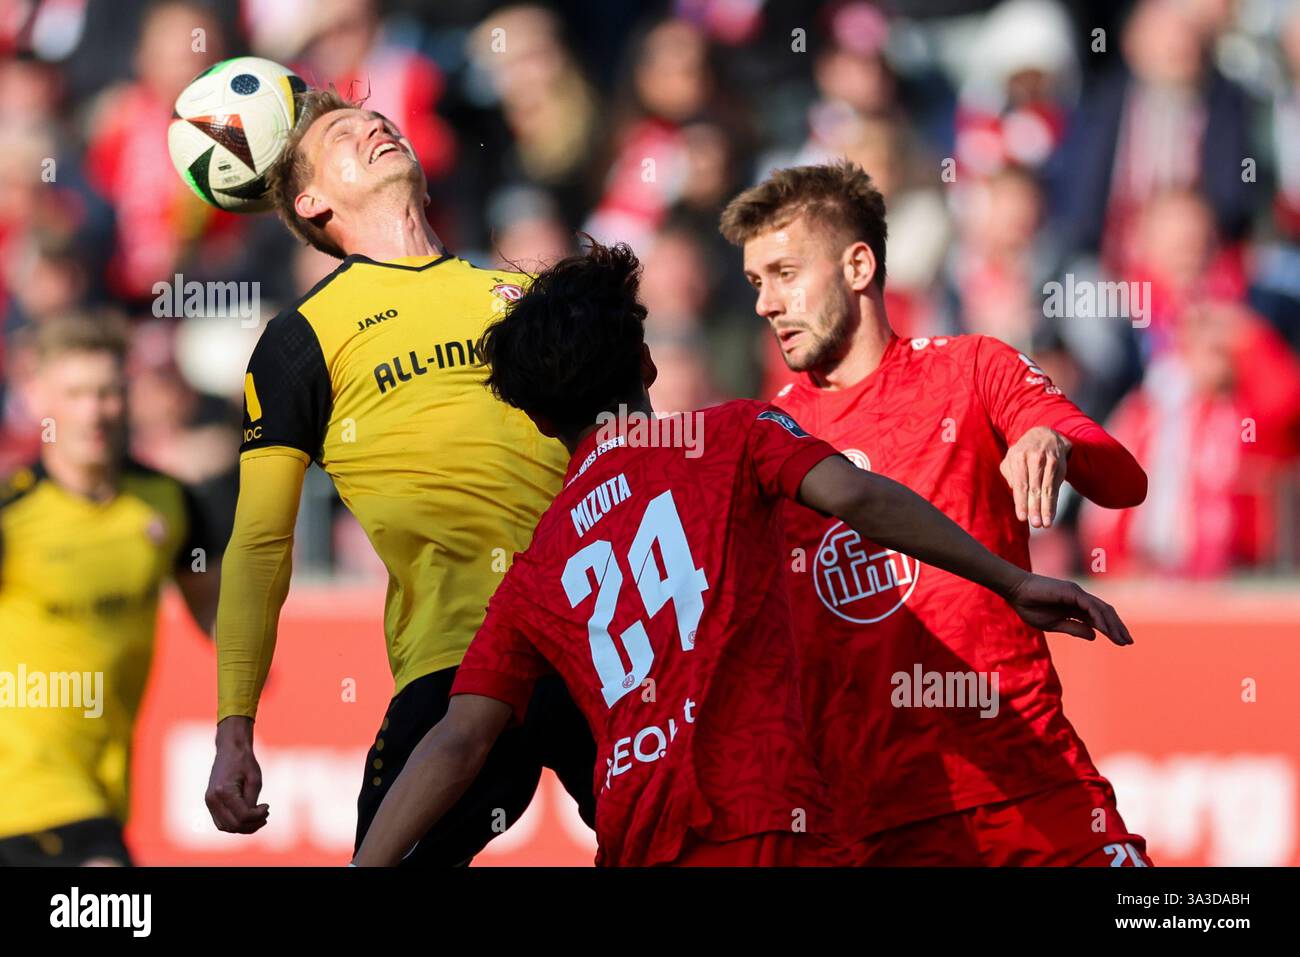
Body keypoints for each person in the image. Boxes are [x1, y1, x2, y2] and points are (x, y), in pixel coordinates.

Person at [351, 239, 1132, 867]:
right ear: (648, 364)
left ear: (540, 418)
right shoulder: (730, 437)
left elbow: (459, 739)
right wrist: (1008, 577)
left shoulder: (534, 569)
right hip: (771, 818)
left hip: (640, 839)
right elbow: (858, 496)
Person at [721, 160, 1152, 865]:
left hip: (1027, 778)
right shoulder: (766, 441)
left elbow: (1124, 480)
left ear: (858, 265)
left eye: (786, 272)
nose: (768, 302)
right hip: (870, 822)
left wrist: (1053, 438)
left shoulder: (972, 367)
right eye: (756, 282)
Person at [204, 88, 595, 865]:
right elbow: (259, 543)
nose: (376, 127)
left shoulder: (519, 295)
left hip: (594, 640)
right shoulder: (299, 341)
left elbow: (616, 452)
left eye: (379, 120)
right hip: (455, 657)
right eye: (346, 133)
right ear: (311, 200)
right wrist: (234, 725)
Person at [0, 316, 220, 865]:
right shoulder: (13, 516)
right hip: (22, 790)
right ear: (39, 399)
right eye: (75, 394)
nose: (93, 412)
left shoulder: (166, 503)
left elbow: (213, 612)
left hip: (105, 786)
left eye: (107, 393)